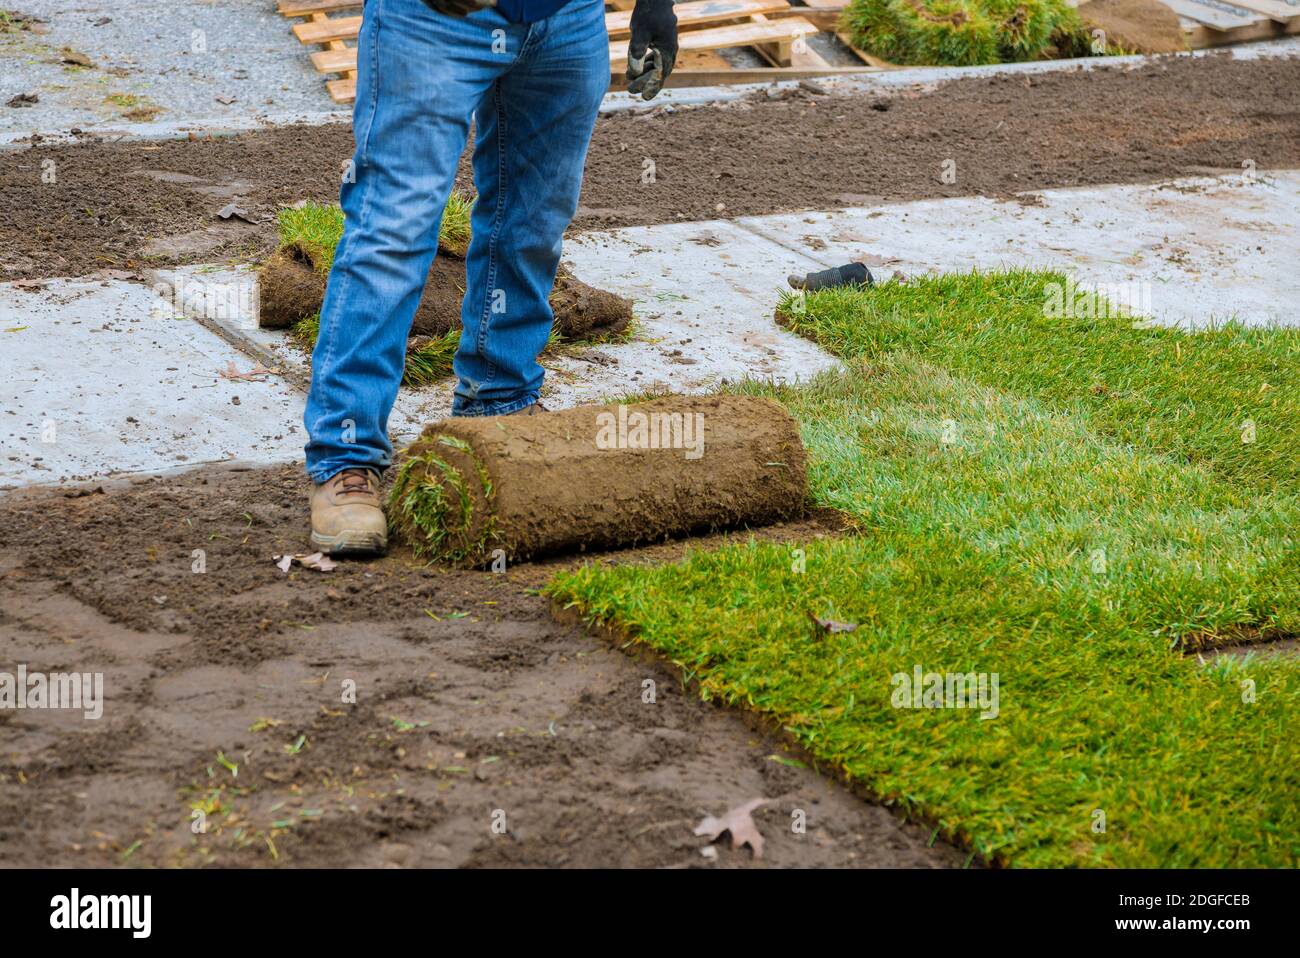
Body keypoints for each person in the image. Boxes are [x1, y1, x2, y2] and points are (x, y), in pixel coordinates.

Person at [304, 0, 678, 556]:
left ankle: (499, 401)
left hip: (565, 19)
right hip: (432, 20)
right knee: (394, 231)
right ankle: (347, 458)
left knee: (533, 222)